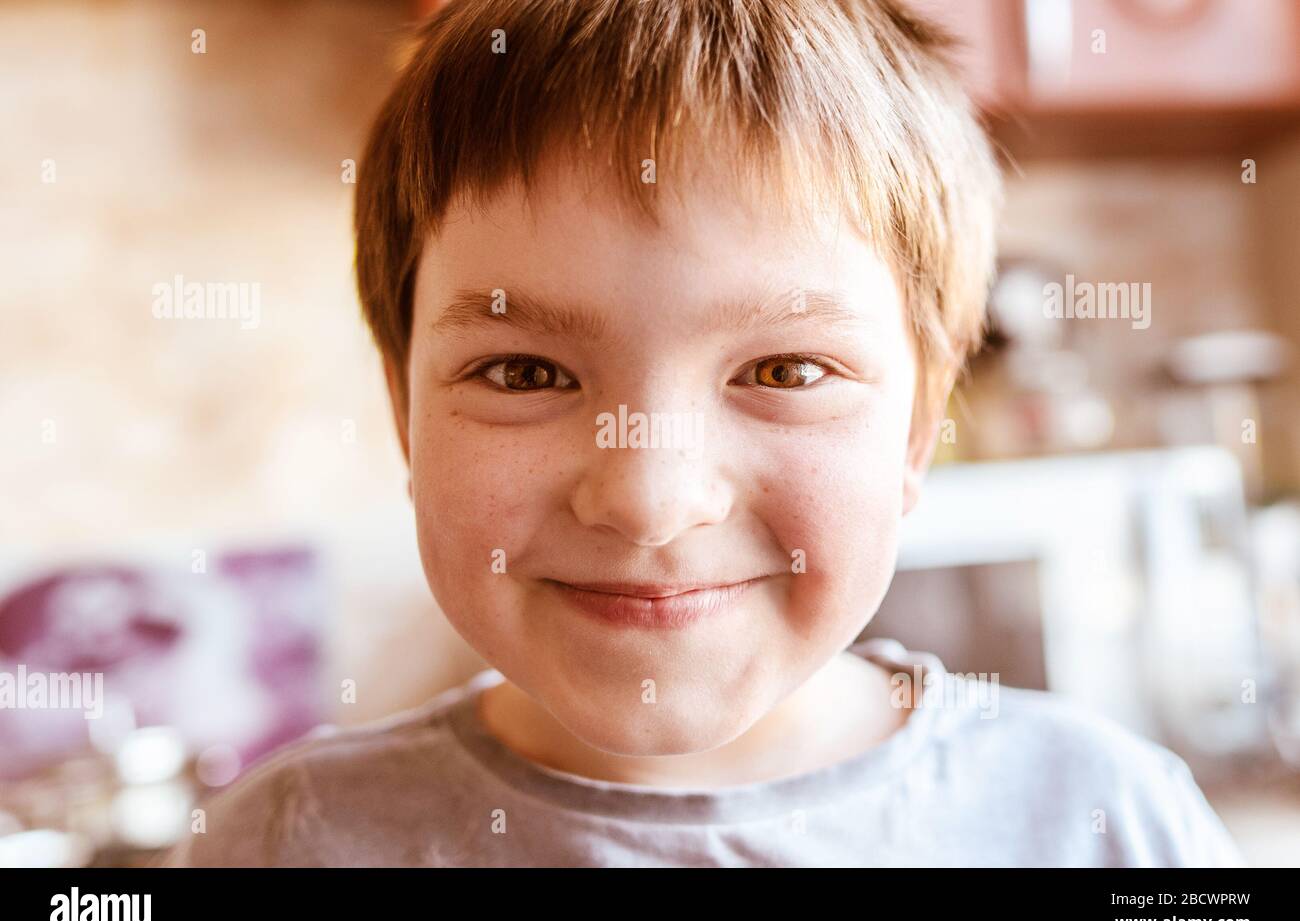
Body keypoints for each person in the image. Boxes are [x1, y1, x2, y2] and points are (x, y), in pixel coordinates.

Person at [160, 0, 1244, 867]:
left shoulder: (1108, 826)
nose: (648, 497)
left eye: (782, 370)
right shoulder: (284, 844)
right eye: (524, 371)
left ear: (919, 428)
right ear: (405, 413)